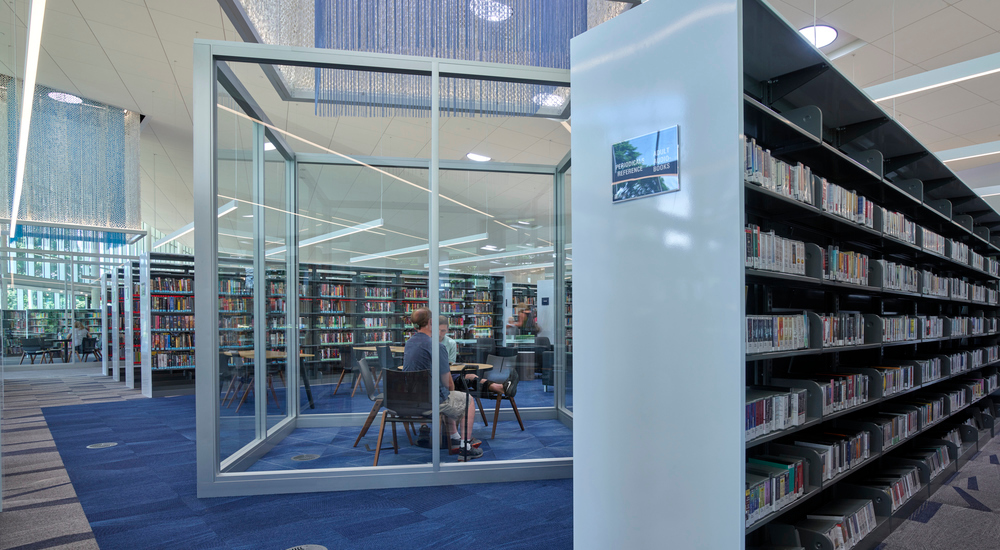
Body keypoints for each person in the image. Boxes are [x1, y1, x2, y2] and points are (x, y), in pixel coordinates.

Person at [403, 308, 483, 461]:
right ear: (431, 322)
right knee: (467, 400)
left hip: (410, 399)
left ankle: (453, 437)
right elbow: (447, 382)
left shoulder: (409, 343)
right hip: (429, 401)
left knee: (448, 396)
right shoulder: (437, 346)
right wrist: (451, 391)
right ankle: (465, 447)